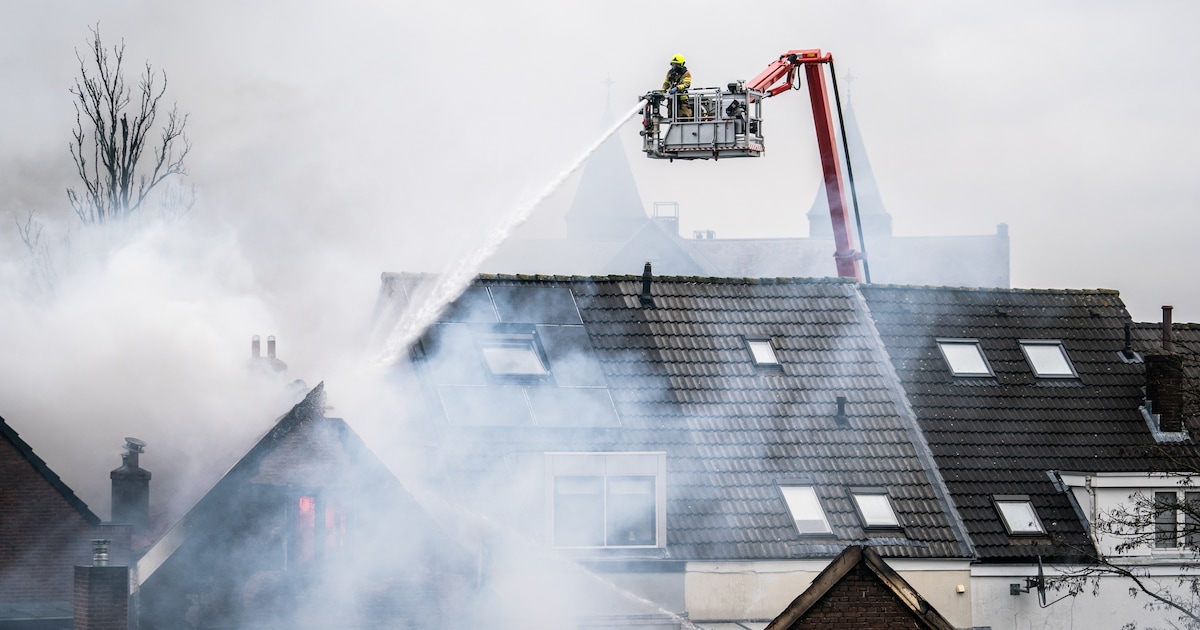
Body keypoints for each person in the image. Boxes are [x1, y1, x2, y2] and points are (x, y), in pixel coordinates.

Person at [662, 54, 693, 119]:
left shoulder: (686, 73)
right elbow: (666, 83)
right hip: (671, 99)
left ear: (681, 64)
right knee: (671, 116)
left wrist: (677, 88)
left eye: (676, 64)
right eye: (673, 64)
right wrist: (662, 91)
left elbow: (686, 84)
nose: (675, 66)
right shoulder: (670, 73)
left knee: (684, 117)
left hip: (682, 99)